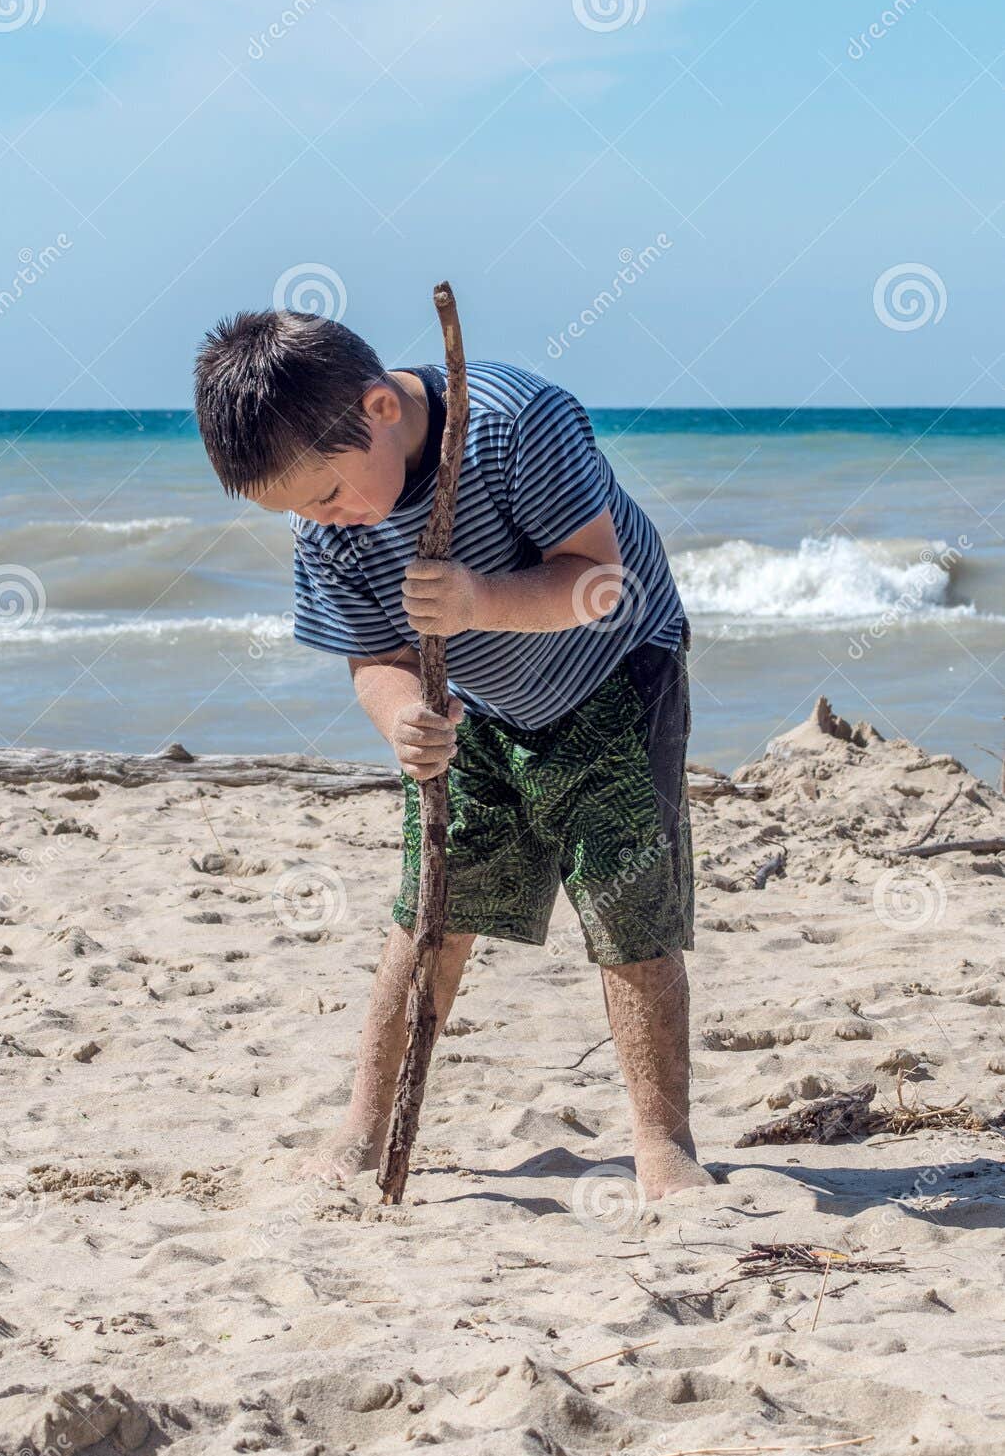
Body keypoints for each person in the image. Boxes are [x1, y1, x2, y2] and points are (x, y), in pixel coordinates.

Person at [194, 308, 711, 1198]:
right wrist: (401, 721)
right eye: (303, 512)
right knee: (427, 916)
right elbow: (375, 658)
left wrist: (474, 598)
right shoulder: (323, 525)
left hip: (617, 669)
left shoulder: (515, 422)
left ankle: (663, 1147)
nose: (334, 522)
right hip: (470, 705)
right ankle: (363, 1126)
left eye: (328, 496)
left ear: (379, 408)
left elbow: (595, 581)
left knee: (628, 907)